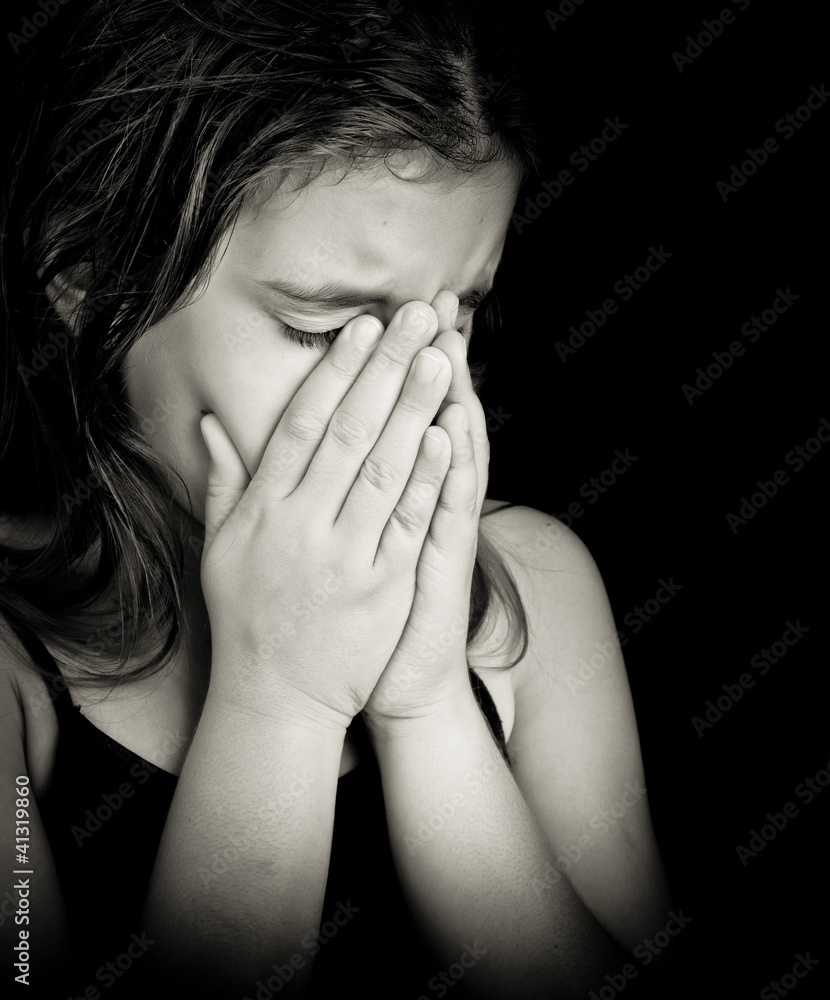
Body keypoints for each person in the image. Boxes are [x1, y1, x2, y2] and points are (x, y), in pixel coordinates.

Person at [0, 2, 673, 996]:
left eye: (455, 319)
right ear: (88, 280)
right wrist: (279, 699)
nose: (414, 395)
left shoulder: (533, 589)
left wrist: (427, 706)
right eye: (323, 332)